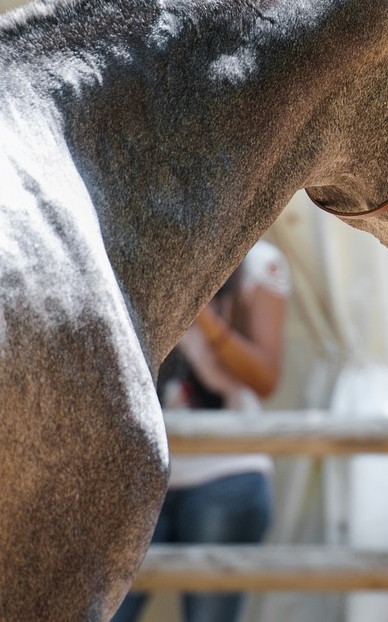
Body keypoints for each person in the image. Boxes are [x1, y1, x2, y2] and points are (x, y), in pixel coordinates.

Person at [113, 240, 289, 622]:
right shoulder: (139, 247)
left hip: (227, 473)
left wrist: (203, 314)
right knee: (109, 612)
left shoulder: (259, 262)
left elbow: (265, 378)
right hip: (138, 474)